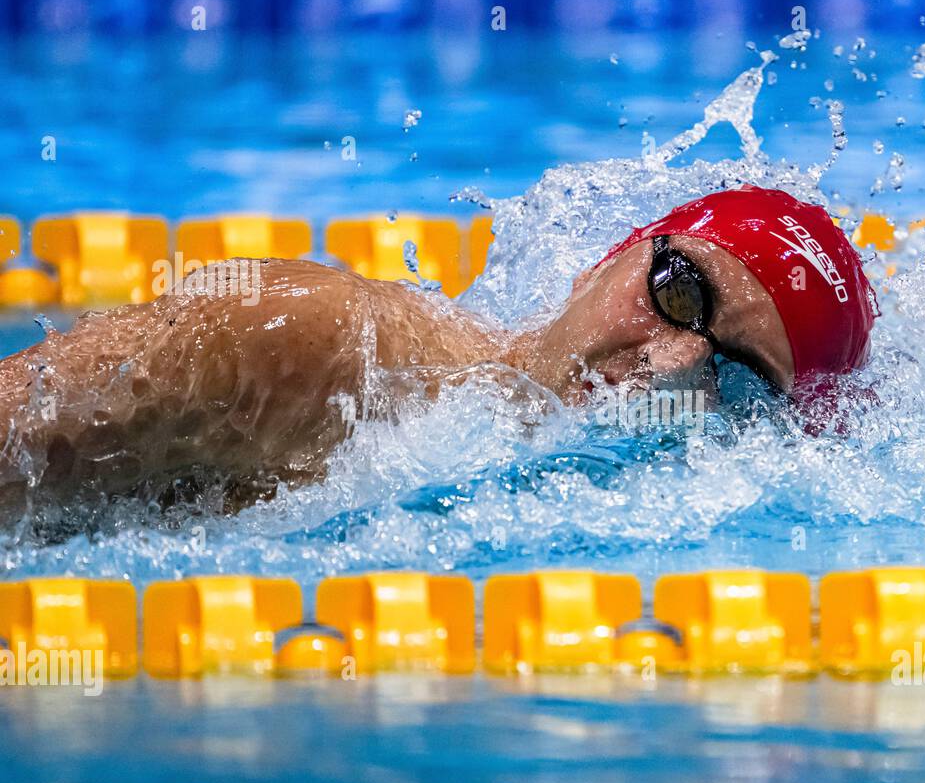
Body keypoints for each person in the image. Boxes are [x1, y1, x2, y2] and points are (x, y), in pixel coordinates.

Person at [0, 186, 877, 517]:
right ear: (614, 253)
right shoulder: (303, 340)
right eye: (680, 293)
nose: (672, 366)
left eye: (740, 381)